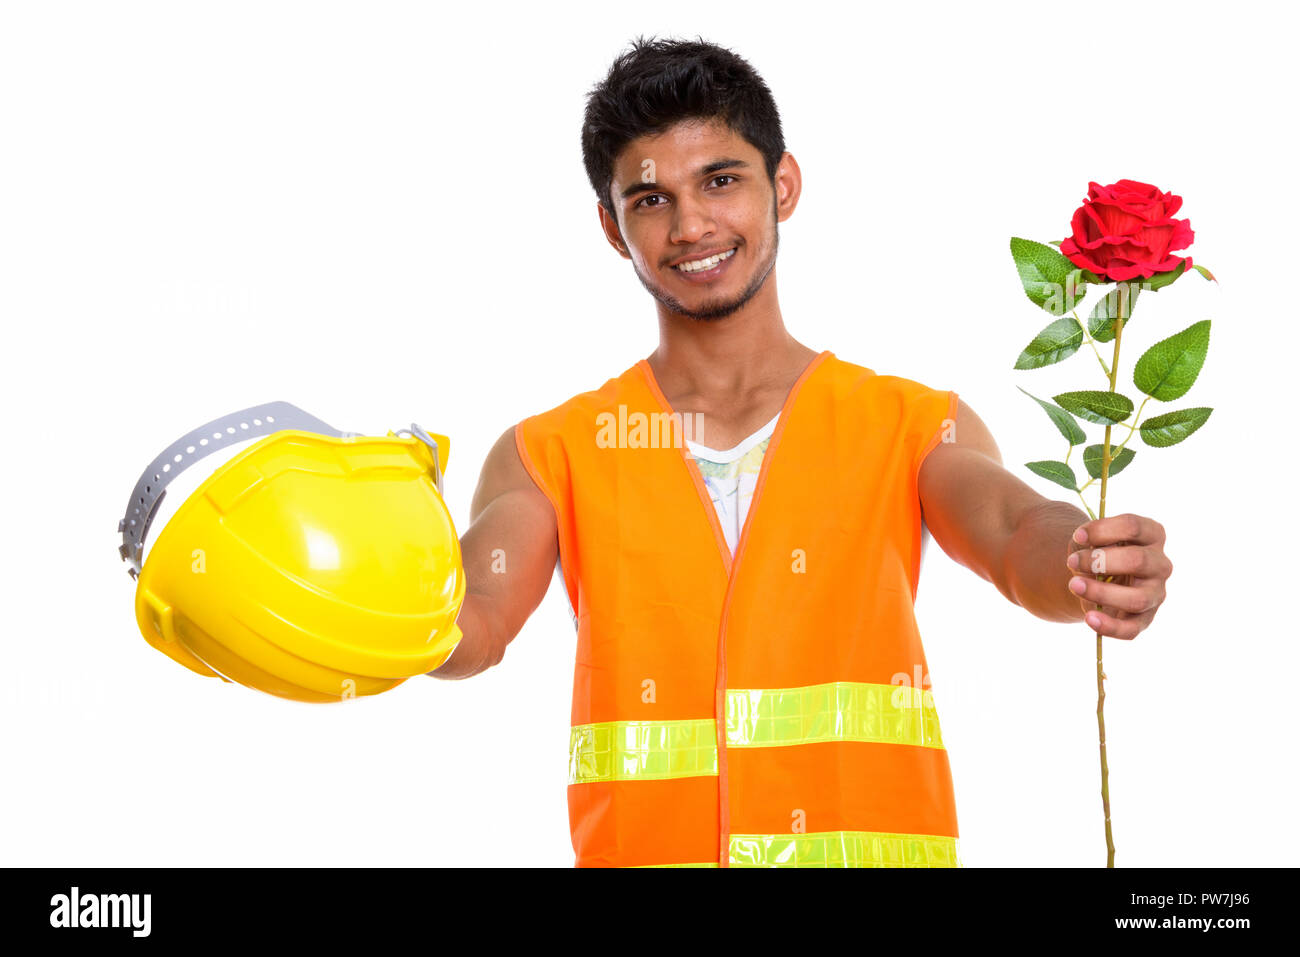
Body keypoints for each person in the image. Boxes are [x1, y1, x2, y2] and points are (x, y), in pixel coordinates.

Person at [429, 35, 1174, 867]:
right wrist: (365, 583)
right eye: (650, 200)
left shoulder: (909, 421)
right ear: (613, 228)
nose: (691, 225)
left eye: (721, 179)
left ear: (782, 185)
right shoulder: (549, 450)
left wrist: (1088, 562)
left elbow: (1013, 527)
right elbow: (472, 623)